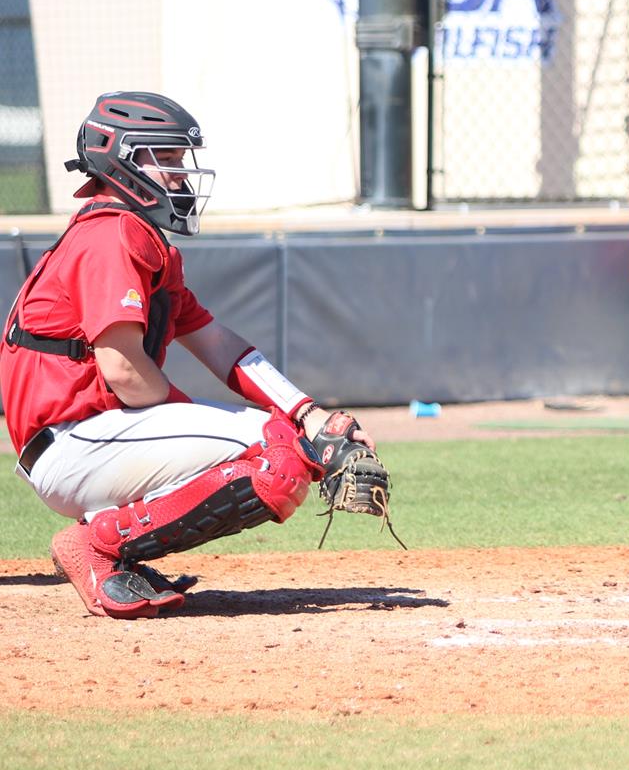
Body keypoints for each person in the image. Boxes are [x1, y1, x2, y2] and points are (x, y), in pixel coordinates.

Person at [3, 92, 383, 618]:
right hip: (74, 443)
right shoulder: (111, 234)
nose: (181, 174)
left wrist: (308, 415)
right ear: (121, 160)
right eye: (167, 159)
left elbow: (216, 342)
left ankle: (114, 551)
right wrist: (230, 426)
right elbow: (123, 371)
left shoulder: (137, 235)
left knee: (283, 439)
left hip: (88, 439)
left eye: (181, 159)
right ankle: (96, 546)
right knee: (275, 456)